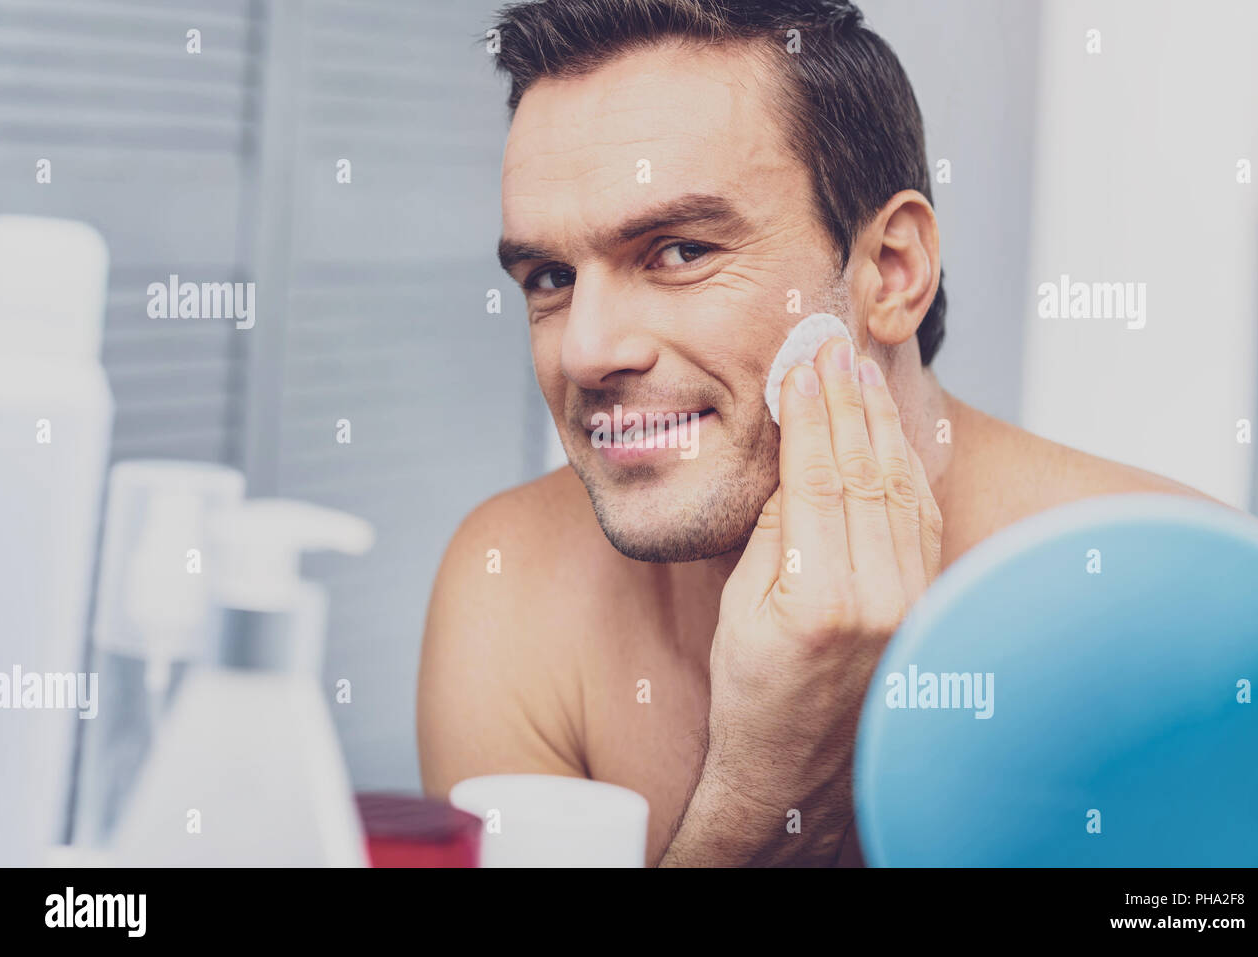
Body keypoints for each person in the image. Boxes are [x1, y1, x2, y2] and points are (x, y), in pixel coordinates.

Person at [417, 0, 1210, 866]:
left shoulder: (1174, 610)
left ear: (891, 272)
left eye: (680, 250)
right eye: (550, 275)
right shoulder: (513, 585)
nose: (588, 348)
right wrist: (759, 801)